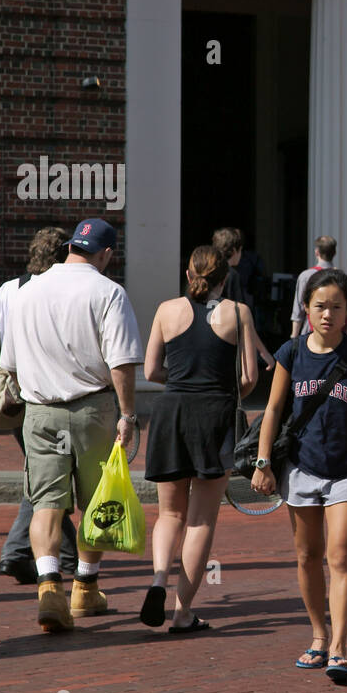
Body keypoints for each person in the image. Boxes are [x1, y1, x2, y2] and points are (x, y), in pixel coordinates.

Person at [0, 218, 143, 633]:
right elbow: (121, 364)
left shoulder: (27, 291)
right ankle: (84, 587)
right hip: (91, 409)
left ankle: (49, 591)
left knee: (46, 505)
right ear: (106, 253)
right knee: (98, 504)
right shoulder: (109, 292)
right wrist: (128, 415)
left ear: (69, 248)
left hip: (40, 410)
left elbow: (8, 364)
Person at [251, 269, 347, 684]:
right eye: (320, 306)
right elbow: (273, 409)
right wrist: (262, 462)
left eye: (336, 307)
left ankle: (340, 649)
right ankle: (317, 634)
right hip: (300, 469)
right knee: (307, 556)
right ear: (307, 309)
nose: (328, 314)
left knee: (340, 557)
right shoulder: (291, 353)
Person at [141, 246, 260, 633]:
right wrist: (220, 387)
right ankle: (182, 611)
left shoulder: (166, 310)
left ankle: (158, 579)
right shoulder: (238, 313)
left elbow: (151, 369)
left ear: (188, 273)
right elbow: (249, 378)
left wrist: (180, 381)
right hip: (215, 412)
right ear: (225, 278)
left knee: (168, 514)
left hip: (171, 410)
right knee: (202, 519)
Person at [0, 227, 78, 583]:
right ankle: (18, 550)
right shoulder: (62, 290)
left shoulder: (9, 289)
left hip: (15, 393)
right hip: (49, 394)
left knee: (45, 471)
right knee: (46, 475)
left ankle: (65, 553)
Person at [215, 227, 274, 371]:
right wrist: (263, 351)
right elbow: (242, 319)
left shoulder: (209, 272)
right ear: (235, 251)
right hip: (227, 343)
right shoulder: (232, 276)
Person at [291, 236, 340, 338]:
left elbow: (298, 309)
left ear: (317, 252)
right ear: (334, 253)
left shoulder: (306, 276)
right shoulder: (341, 277)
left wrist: (294, 337)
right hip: (336, 336)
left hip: (310, 334)